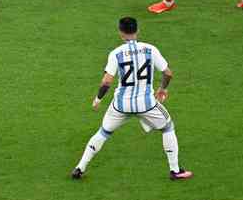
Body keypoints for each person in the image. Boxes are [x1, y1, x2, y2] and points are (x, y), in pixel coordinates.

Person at [71, 17, 193, 181]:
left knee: (103, 132)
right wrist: (163, 89)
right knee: (168, 127)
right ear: (137, 30)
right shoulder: (150, 49)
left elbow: (107, 81)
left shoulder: (116, 53)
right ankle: (175, 170)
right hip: (146, 105)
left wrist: (98, 99)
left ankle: (80, 168)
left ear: (121, 33)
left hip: (121, 106)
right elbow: (168, 73)